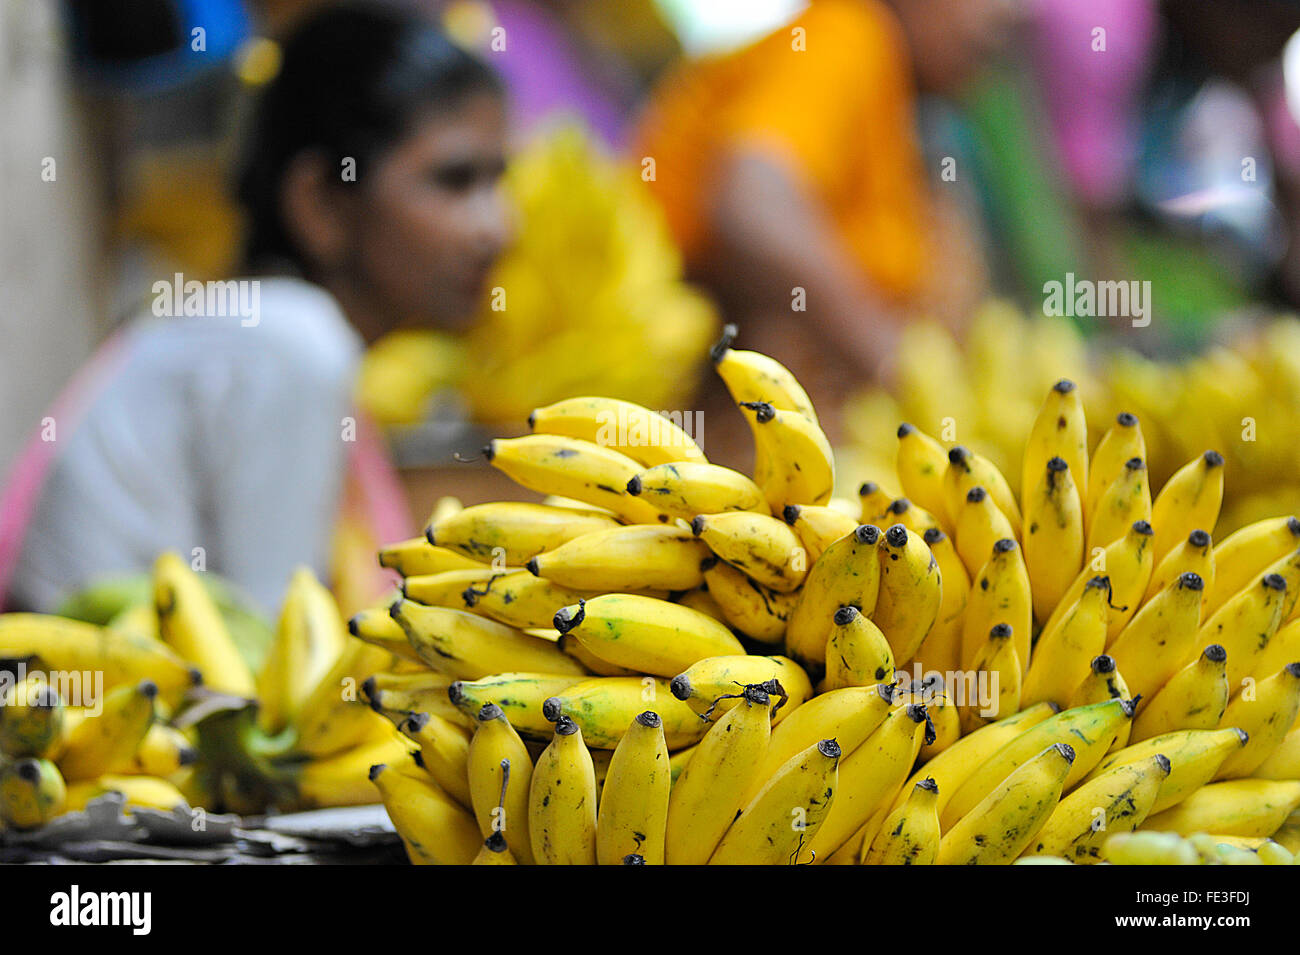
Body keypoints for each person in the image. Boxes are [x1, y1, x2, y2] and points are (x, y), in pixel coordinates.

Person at [0, 1, 511, 614]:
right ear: (320, 203)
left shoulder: (271, 334)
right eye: (455, 180)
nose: (500, 226)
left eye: (499, 180)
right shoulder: (292, 339)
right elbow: (278, 652)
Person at [633, 0, 1018, 443]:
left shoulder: (898, 105)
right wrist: (902, 372)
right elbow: (751, 204)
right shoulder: (847, 33)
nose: (1011, 13)